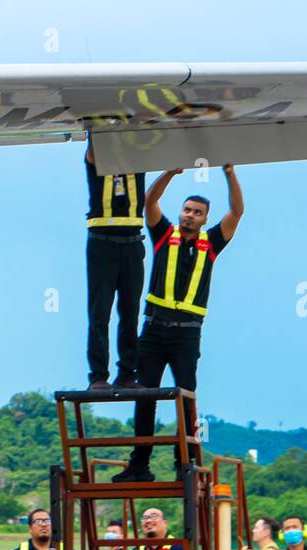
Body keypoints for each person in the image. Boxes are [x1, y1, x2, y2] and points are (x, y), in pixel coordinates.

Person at [113, 165, 244, 483]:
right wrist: (170, 173)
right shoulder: (163, 235)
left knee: (186, 399)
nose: (189, 215)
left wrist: (229, 173)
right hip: (153, 331)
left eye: (197, 212)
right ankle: (139, 464)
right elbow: (149, 202)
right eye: (186, 210)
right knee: (146, 397)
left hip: (187, 334)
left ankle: (183, 465)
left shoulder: (210, 243)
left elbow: (237, 211)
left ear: (204, 218)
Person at [84, 134, 147, 389]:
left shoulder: (137, 166)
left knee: (130, 312)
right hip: (102, 243)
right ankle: (99, 376)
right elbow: (90, 155)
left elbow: (150, 144)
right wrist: (96, 133)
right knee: (100, 312)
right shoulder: (99, 166)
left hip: (132, 244)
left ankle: (127, 374)